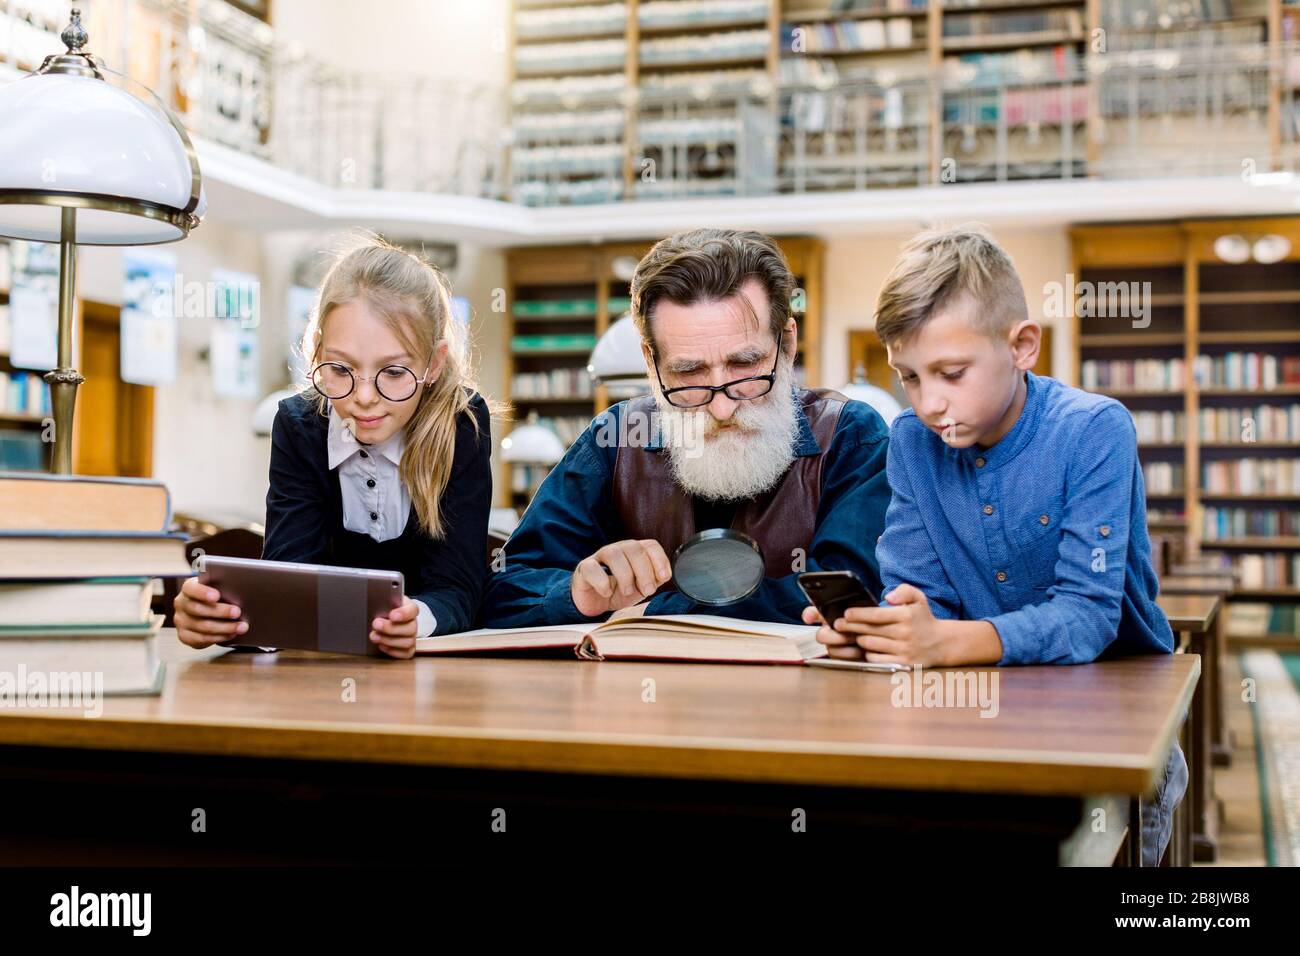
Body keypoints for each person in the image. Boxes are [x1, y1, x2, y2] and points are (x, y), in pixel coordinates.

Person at [804, 223, 1186, 865]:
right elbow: (923, 597)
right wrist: (886, 631)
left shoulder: (1095, 431)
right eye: (910, 377)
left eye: (951, 373)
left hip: (1114, 711)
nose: (929, 402)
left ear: (1022, 346)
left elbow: (1089, 617)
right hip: (973, 703)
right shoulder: (910, 443)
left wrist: (944, 641)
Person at [484, 228, 891, 627]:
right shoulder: (616, 438)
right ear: (651, 361)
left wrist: (660, 610)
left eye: (744, 365)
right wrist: (576, 594)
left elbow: (849, 596)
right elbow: (508, 589)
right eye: (689, 373)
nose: (722, 406)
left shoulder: (849, 435)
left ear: (786, 344)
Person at [174, 237, 493, 658]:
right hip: (316, 673)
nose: (363, 397)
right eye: (341, 369)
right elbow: (287, 574)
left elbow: (458, 589)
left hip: (430, 679)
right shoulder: (297, 425)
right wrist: (221, 619)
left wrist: (420, 618)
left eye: (394, 372)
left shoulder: (461, 422)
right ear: (317, 350)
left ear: (433, 364)